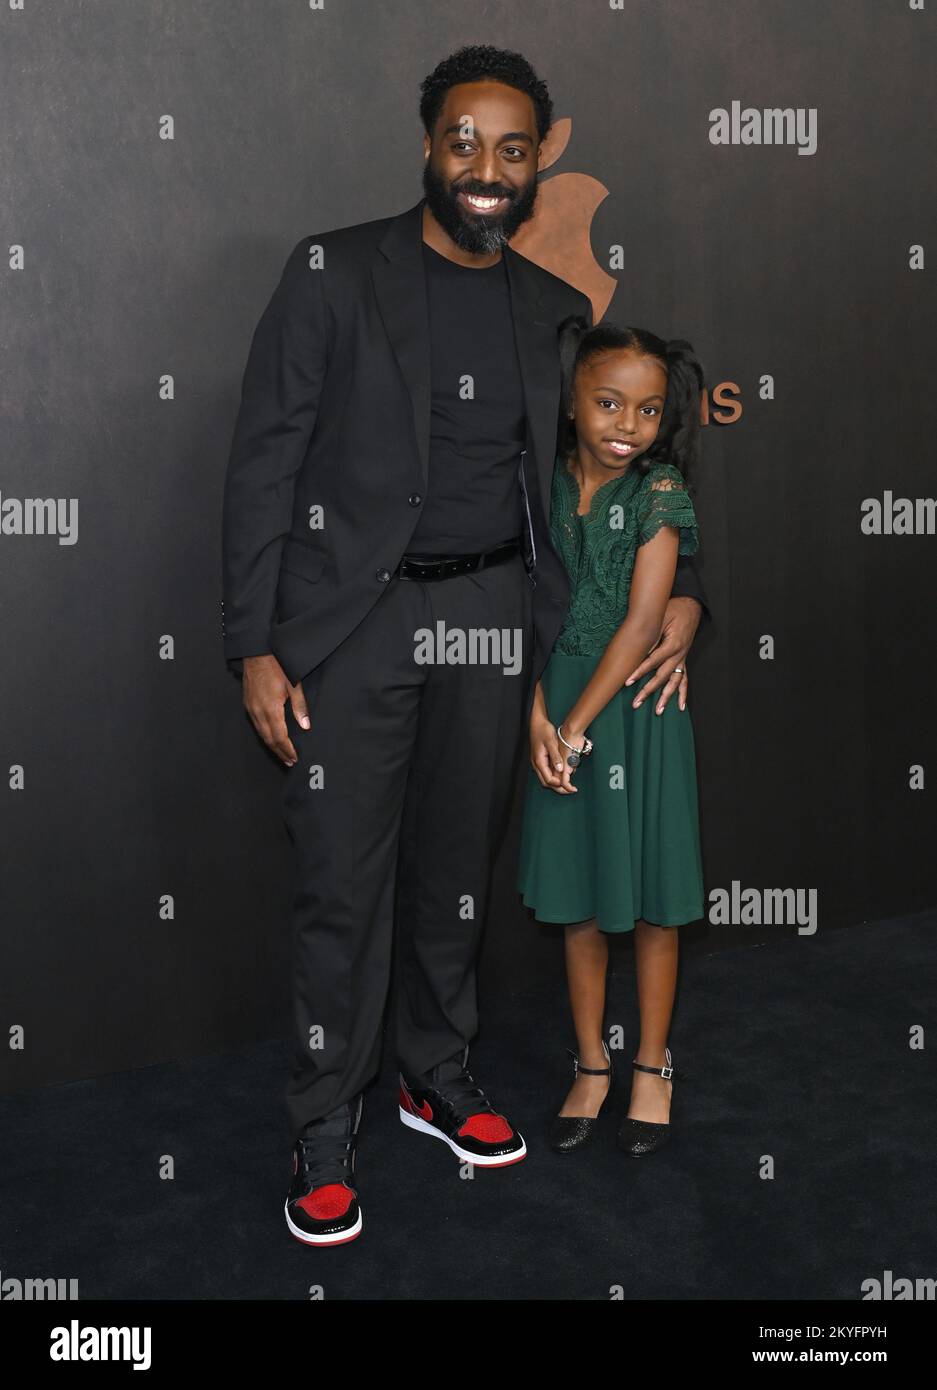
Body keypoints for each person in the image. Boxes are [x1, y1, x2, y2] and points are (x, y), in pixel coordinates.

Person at [221, 46, 711, 1247]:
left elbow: (608, 475)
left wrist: (685, 589)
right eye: (462, 142)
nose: (486, 170)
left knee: (454, 871)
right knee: (344, 883)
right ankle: (324, 1118)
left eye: (511, 149)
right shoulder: (333, 271)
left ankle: (434, 1072)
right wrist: (254, 644)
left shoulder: (554, 316)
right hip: (352, 627)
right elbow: (264, 463)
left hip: (496, 625)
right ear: (428, 146)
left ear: (537, 161)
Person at [517, 317, 707, 1158]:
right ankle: (591, 1063)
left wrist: (569, 725)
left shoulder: (659, 493)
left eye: (647, 411)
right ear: (569, 403)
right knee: (580, 901)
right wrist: (533, 712)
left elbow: (638, 626)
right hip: (554, 703)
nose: (626, 427)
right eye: (607, 404)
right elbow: (511, 610)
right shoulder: (539, 485)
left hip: (630, 707)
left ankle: (652, 1066)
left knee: (654, 903)